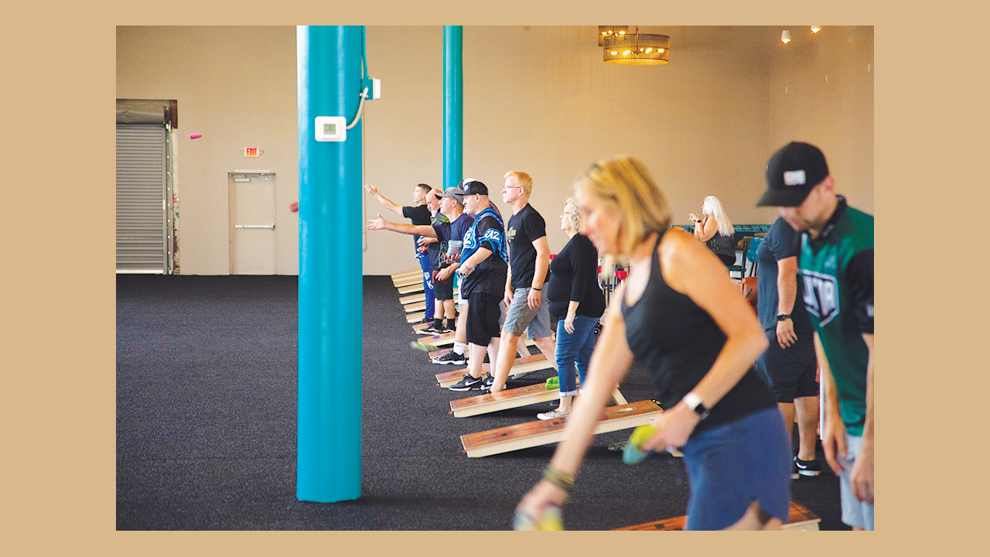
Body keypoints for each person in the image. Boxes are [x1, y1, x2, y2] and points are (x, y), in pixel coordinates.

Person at [515, 155, 789, 531]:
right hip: (702, 440)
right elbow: (594, 392)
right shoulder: (626, 294)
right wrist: (555, 481)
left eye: (592, 212)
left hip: (742, 426)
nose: (586, 224)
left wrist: (689, 408)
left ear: (622, 206)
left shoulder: (677, 253)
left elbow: (750, 339)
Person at [757, 141, 874, 531]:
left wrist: (872, 445)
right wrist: (833, 416)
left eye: (798, 200)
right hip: (854, 416)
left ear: (828, 186)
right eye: (781, 202)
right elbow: (824, 330)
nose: (789, 212)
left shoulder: (862, 247)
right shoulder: (807, 242)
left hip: (876, 420)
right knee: (860, 527)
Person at [367, 187, 475, 362]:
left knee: (482, 321)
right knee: (465, 316)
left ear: (454, 203)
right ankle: (459, 353)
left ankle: (480, 360)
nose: (439, 202)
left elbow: (477, 252)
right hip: (465, 279)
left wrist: (450, 268)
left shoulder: (466, 223)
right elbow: (414, 229)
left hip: (479, 280)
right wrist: (387, 226)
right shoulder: (447, 226)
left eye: (443, 199)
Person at [754, 216, 821, 479]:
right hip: (805, 321)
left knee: (778, 390)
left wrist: (783, 316)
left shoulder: (786, 224)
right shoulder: (809, 224)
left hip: (785, 323)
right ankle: (807, 459)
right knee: (805, 389)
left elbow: (788, 270)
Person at [486, 171, 557, 394]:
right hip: (521, 286)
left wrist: (535, 288)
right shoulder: (513, 218)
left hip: (531, 287)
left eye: (508, 186)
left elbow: (543, 253)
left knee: (508, 336)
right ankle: (579, 378)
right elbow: (513, 256)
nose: (503, 190)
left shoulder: (530, 217)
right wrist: (508, 285)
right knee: (542, 339)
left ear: (521, 191)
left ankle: (496, 388)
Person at [537, 197, 606, 420]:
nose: (561, 216)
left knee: (564, 355)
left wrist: (571, 313)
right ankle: (587, 405)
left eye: (565, 213)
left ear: (575, 218)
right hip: (582, 309)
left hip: (581, 309)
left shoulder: (579, 242)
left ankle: (565, 407)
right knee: (583, 357)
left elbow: (580, 281)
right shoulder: (578, 242)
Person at [365, 182, 434, 323]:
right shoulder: (426, 212)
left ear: (424, 196)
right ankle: (437, 315)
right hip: (429, 252)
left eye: (416, 191)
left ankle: (431, 317)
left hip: (428, 253)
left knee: (430, 286)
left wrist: (375, 194)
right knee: (433, 285)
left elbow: (391, 206)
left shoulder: (420, 212)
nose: (413, 193)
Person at [417, 189, 455, 335]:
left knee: (445, 295)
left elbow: (449, 236)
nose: (428, 206)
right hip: (435, 259)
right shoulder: (436, 217)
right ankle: (437, 324)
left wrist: (430, 239)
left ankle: (450, 324)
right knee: (439, 295)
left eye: (431, 202)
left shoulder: (444, 218)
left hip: (443, 261)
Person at [689, 196, 736, 266]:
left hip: (723, 255)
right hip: (714, 254)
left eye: (704, 205)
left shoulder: (714, 218)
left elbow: (703, 237)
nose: (702, 207)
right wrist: (696, 222)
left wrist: (699, 221)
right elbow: (698, 239)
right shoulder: (707, 219)